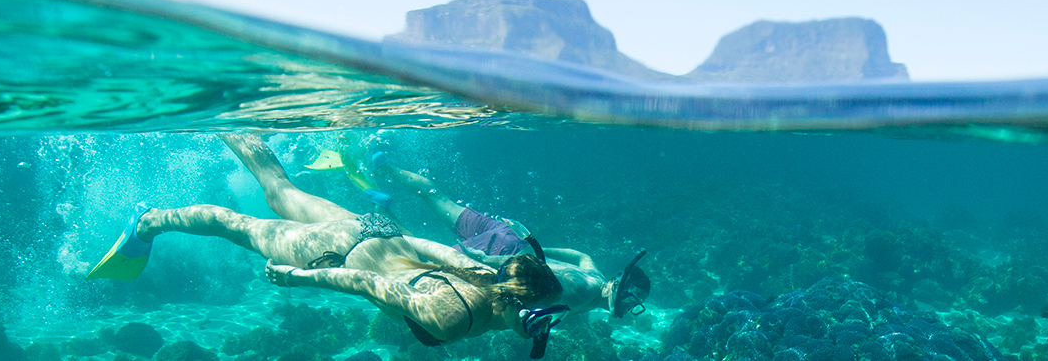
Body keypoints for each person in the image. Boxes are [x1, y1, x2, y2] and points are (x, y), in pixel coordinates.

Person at [83, 134, 642, 357]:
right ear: (528, 304)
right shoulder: (451, 316)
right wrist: (299, 278)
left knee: (280, 191)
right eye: (542, 321)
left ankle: (237, 119)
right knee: (239, 226)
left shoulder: (491, 279)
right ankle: (150, 221)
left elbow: (438, 250)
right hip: (333, 255)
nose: (541, 330)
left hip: (370, 232)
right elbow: (367, 284)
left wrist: (383, 228)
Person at [318, 138, 651, 320]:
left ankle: (383, 163)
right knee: (415, 253)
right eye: (634, 297)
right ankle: (382, 207)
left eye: (637, 304)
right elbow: (528, 277)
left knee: (439, 198)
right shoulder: (581, 294)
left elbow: (581, 255)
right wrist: (484, 260)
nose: (632, 306)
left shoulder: (593, 275)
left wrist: (531, 244)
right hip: (497, 256)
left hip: (509, 241)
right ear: (620, 283)